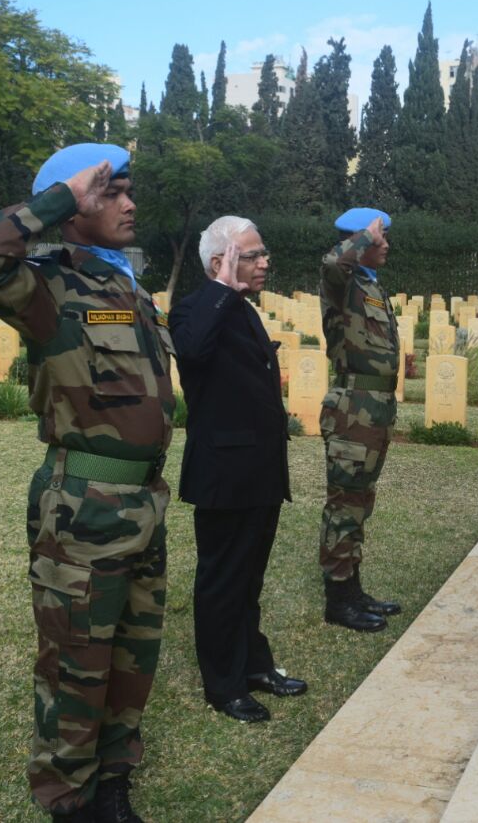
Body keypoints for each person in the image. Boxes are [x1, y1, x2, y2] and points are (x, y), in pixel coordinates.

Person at [0, 144, 173, 823]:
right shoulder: (47, 284)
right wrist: (58, 201)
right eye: (111, 192)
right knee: (76, 662)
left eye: (130, 190)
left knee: (133, 657)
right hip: (83, 510)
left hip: (144, 504)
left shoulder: (124, 283)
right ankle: (68, 798)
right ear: (75, 204)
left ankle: (113, 780)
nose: (129, 203)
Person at [169, 216, 306, 724]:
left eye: (262, 253)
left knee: (249, 578)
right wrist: (223, 287)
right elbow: (191, 348)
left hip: (259, 471)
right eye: (252, 255)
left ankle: (254, 665)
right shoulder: (195, 308)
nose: (265, 262)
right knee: (223, 580)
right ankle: (223, 684)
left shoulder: (243, 311)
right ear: (219, 264)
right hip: (224, 474)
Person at [317, 208, 403, 632]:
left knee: (360, 501)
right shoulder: (342, 281)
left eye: (383, 236)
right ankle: (338, 599)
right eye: (379, 237)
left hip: (375, 408)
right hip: (353, 407)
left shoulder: (370, 285)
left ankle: (353, 589)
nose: (385, 243)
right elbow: (333, 261)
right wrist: (363, 238)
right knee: (345, 503)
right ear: (359, 241)